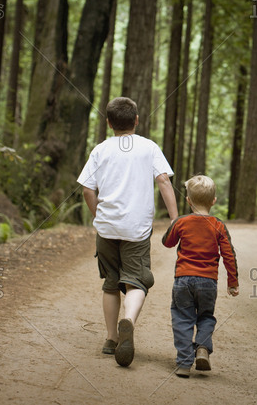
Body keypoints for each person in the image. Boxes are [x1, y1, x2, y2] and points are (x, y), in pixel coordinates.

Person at [78, 97, 178, 367]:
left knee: (111, 283)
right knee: (136, 280)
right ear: (136, 120)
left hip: (107, 227)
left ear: (109, 122)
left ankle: (111, 339)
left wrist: (98, 215)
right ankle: (129, 321)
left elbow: (88, 189)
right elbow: (163, 181)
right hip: (137, 229)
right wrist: (174, 218)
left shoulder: (100, 150)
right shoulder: (149, 147)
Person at [162, 175, 239, 378]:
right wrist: (233, 282)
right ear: (213, 201)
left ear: (188, 200)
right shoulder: (218, 225)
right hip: (208, 282)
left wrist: (174, 224)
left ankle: (184, 364)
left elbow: (167, 242)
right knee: (205, 316)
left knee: (182, 318)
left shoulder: (182, 222)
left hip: (183, 280)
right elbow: (229, 255)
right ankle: (203, 348)